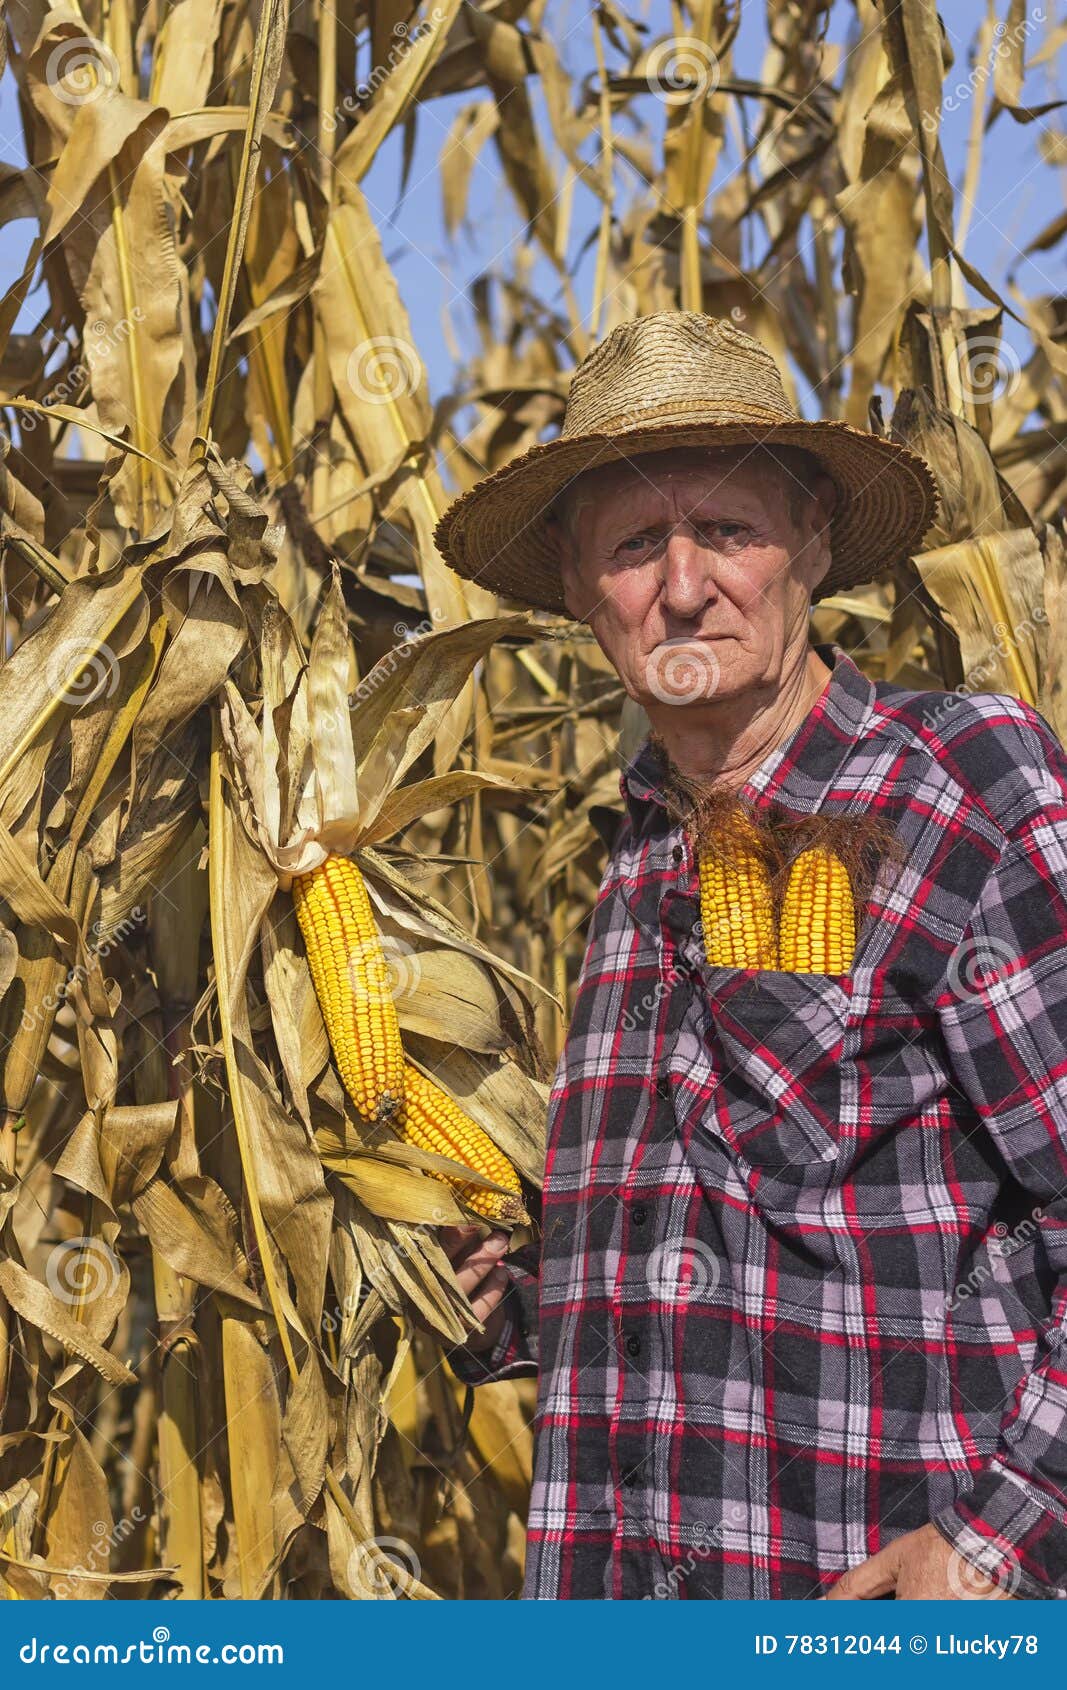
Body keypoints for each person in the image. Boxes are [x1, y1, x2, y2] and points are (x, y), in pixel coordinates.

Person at [431, 311, 1067, 1601]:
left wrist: (999, 1537)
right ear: (571, 585)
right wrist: (505, 1288)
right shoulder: (638, 858)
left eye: (724, 531)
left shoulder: (956, 790)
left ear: (815, 540)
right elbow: (713, 1255)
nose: (679, 587)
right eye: (630, 548)